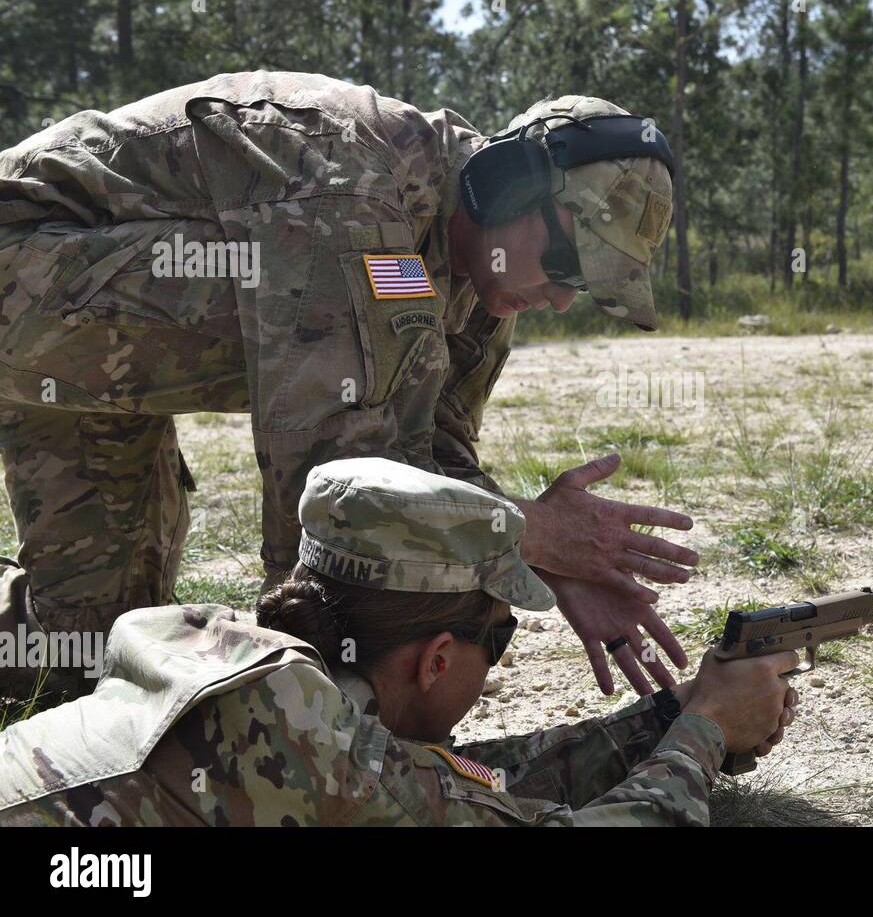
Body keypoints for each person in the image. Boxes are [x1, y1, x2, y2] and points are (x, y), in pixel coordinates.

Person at [0, 73, 693, 699]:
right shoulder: (354, 191)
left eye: (584, 282)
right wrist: (524, 532)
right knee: (322, 373)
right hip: (24, 269)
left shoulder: (487, 279)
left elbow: (434, 462)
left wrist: (547, 560)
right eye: (568, 259)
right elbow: (333, 490)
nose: (564, 299)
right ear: (509, 181)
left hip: (82, 364)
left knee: (84, 655)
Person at [0, 458, 798, 825]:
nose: (498, 660)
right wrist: (704, 737)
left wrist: (665, 718)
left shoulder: (240, 664)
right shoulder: (327, 756)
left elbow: (462, 782)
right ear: (437, 659)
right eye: (502, 636)